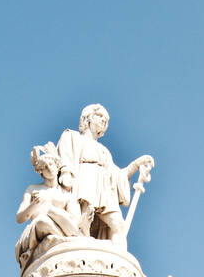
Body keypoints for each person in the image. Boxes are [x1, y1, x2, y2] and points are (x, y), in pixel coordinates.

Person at [56, 104, 153, 249]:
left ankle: (118, 258)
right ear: (87, 118)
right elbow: (65, 157)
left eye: (105, 119)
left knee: (118, 225)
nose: (103, 121)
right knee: (81, 223)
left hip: (104, 189)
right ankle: (82, 252)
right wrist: (65, 173)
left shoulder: (104, 151)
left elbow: (117, 175)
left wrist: (136, 164)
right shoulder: (72, 136)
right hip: (84, 182)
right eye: (99, 116)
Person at [15, 143, 83, 270]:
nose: (49, 168)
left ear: (57, 165)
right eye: (44, 167)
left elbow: (75, 222)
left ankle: (63, 240)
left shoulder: (67, 195)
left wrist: (52, 210)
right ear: (41, 172)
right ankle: (66, 242)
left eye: (51, 164)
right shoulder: (33, 189)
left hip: (65, 228)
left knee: (54, 215)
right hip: (37, 230)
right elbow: (20, 218)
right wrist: (34, 205)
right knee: (42, 221)